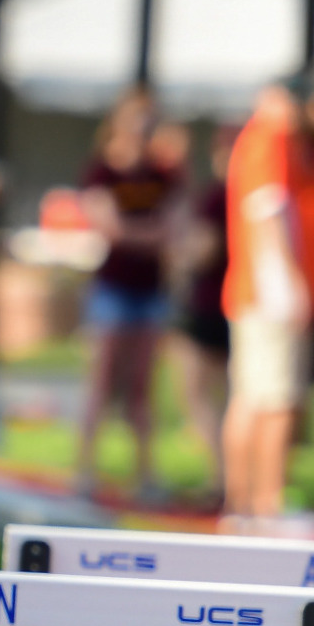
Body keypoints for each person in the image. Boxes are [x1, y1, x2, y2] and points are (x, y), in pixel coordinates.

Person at [222, 77, 314, 528]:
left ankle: (249, 505)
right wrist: (290, 289)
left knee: (259, 397)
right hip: (269, 295)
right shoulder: (268, 139)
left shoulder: (275, 141)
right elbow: (267, 214)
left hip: (264, 293)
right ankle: (262, 503)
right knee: (274, 402)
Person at [74, 87, 181, 502]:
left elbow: (172, 227)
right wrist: (146, 234)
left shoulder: (162, 175)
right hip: (114, 288)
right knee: (102, 380)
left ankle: (145, 474)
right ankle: (85, 470)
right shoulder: (102, 171)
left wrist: (135, 233)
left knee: (141, 387)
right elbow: (109, 227)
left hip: (149, 289)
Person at [172, 126, 233, 500]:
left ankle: (222, 476)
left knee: (197, 394)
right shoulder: (249, 192)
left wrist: (180, 256)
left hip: (210, 303)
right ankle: (230, 479)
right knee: (227, 396)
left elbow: (206, 250)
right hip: (234, 305)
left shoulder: (217, 196)